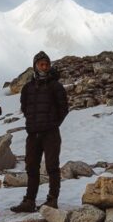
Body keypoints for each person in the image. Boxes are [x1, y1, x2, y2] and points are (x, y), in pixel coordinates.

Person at [11, 51, 69, 212]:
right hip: (33, 134)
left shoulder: (55, 86)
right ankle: (29, 201)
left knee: (52, 166)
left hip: (50, 133)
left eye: (46, 64)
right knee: (31, 167)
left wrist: (53, 123)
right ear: (35, 66)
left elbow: (64, 108)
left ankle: (52, 199)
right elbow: (24, 107)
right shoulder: (27, 88)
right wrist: (31, 121)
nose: (44, 67)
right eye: (41, 64)